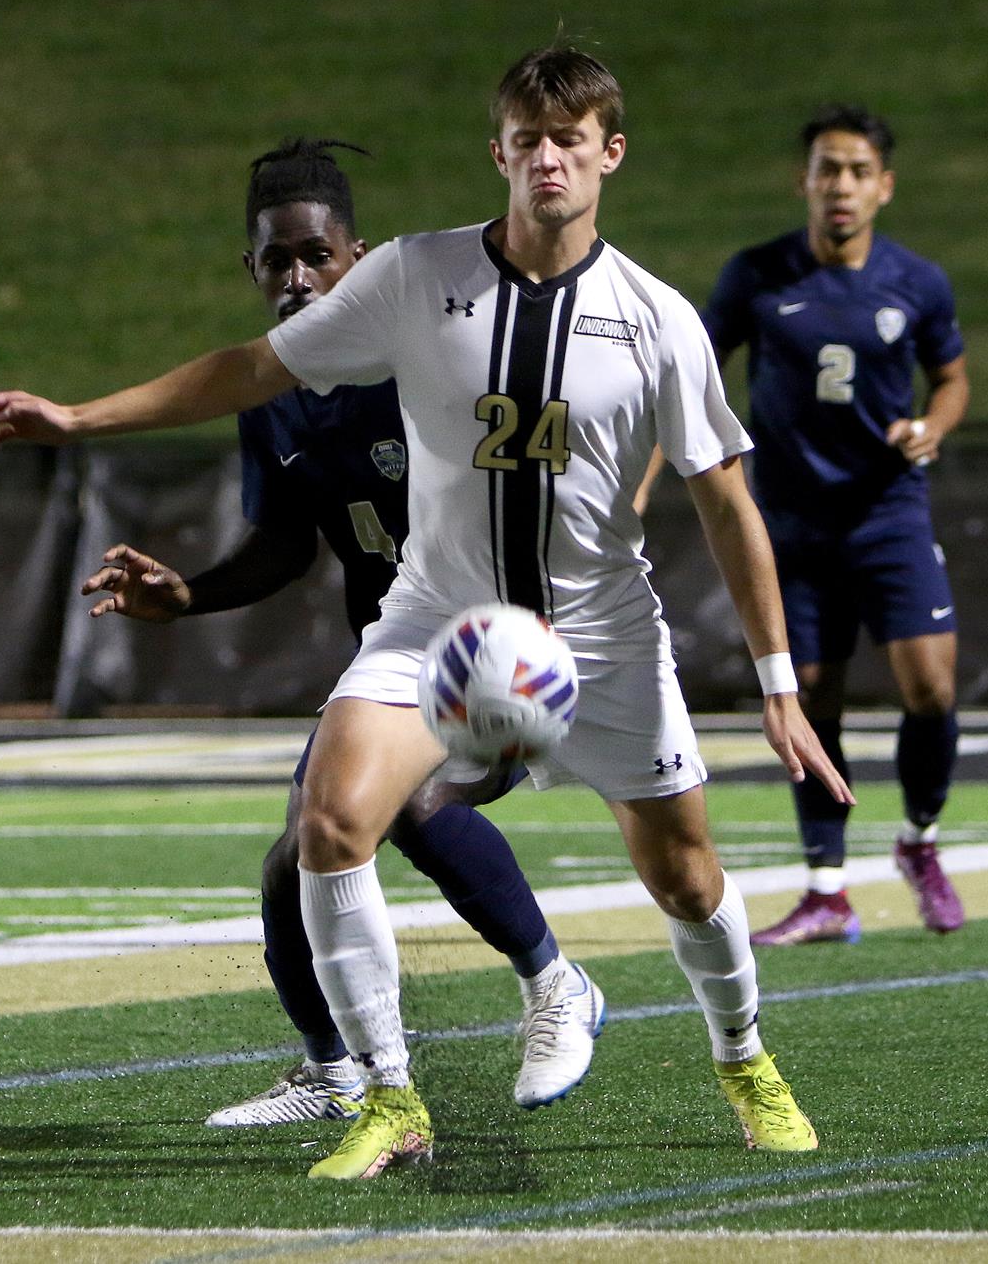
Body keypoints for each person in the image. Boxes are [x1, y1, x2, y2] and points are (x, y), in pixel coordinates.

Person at [0, 46, 847, 1180]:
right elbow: (250, 367)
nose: (547, 158)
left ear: (608, 156)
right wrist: (80, 418)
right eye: (527, 139)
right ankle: (386, 1097)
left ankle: (742, 1057)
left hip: (600, 637)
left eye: (569, 139)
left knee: (684, 875)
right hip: (434, 622)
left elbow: (726, 505)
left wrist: (778, 688)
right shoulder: (407, 275)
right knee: (328, 820)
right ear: (497, 151)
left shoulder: (656, 321)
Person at [80, 138, 602, 1127]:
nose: (296, 277)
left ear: (357, 258)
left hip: (506, 639)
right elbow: (283, 546)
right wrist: (184, 594)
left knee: (410, 803)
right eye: (275, 259)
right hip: (396, 661)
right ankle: (334, 1071)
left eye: (315, 255)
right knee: (299, 854)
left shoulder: (423, 360)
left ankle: (553, 982)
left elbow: (550, 468)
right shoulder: (269, 396)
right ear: (250, 269)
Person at [701, 104, 970, 945]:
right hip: (788, 520)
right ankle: (826, 888)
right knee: (812, 698)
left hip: (887, 510)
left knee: (931, 685)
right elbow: (695, 374)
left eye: (858, 171)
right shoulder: (757, 275)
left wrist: (933, 424)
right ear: (804, 182)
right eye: (827, 169)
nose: (841, 186)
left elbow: (953, 378)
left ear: (884, 187)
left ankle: (919, 840)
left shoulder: (917, 282)